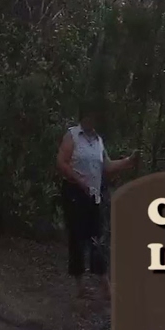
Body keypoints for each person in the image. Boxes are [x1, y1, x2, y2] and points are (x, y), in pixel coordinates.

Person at [56, 102, 139, 301]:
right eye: (88, 116)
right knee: (77, 238)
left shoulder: (98, 141)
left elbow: (107, 167)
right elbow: (61, 162)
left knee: (97, 238)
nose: (92, 120)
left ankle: (105, 286)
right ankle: (82, 286)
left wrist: (128, 161)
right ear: (83, 117)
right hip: (74, 193)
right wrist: (79, 179)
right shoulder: (73, 136)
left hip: (93, 194)